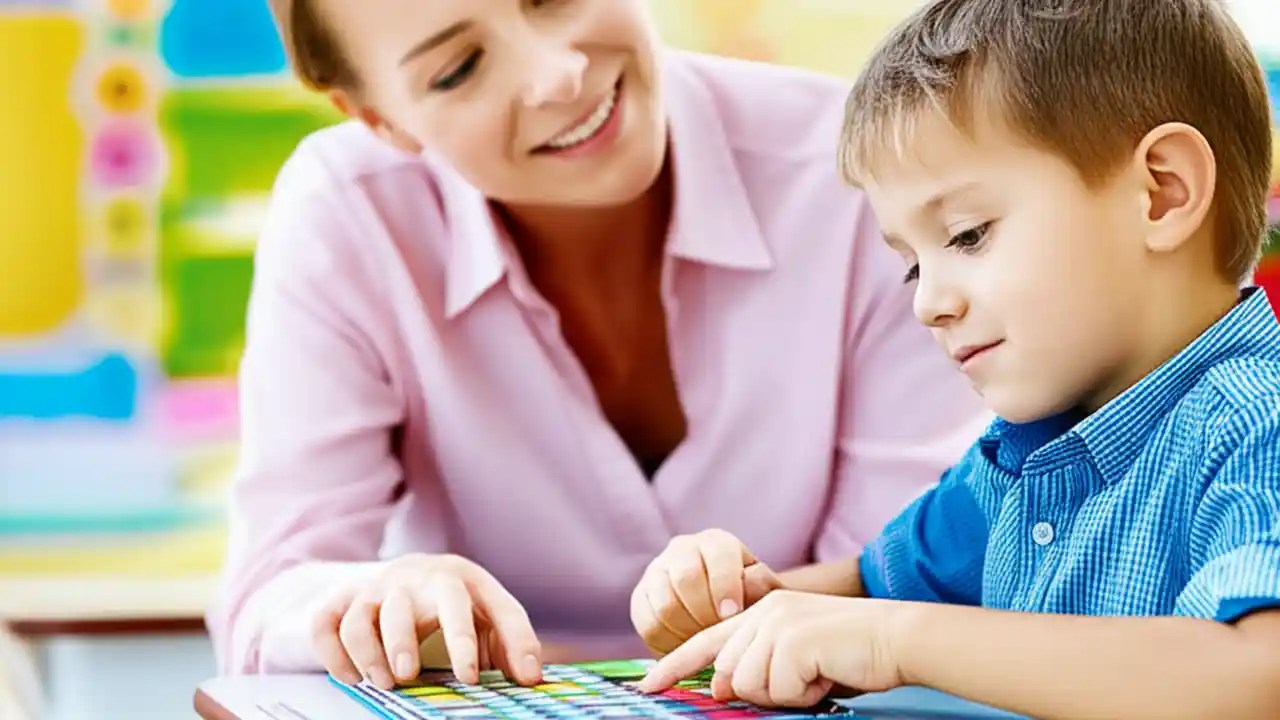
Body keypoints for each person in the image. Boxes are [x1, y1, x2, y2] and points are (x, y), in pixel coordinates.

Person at [207, 0, 986, 691]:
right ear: (380, 118)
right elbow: (268, 598)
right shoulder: (350, 217)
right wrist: (364, 604)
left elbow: (894, 590)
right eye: (459, 69)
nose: (558, 74)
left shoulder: (852, 173)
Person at [636, 1, 1280, 718]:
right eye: (913, 266)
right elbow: (869, 596)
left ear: (1162, 192)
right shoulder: (1023, 456)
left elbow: (1262, 677)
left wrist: (896, 641)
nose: (928, 304)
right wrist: (737, 604)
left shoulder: (1257, 425)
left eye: (968, 235)